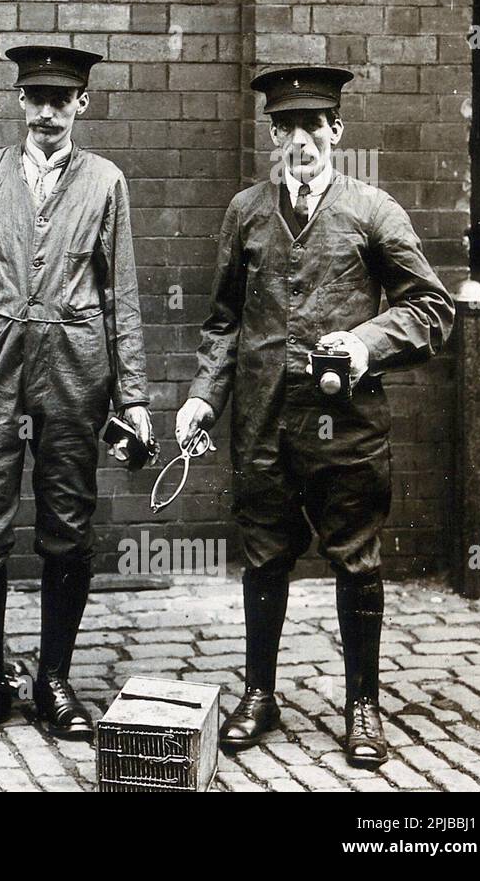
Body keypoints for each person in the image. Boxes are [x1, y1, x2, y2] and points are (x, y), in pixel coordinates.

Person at [176, 65, 454, 768]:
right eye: (286, 126)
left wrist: (364, 342)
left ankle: (363, 704)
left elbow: (431, 309)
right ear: (273, 134)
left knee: (356, 560)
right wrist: (204, 396)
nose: (300, 139)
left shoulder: (371, 210)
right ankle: (260, 694)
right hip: (263, 425)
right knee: (265, 557)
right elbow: (222, 320)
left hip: (349, 430)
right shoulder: (246, 211)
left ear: (338, 130)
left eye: (313, 125)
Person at [0, 45, 152, 739]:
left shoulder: (106, 182)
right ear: (19, 101)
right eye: (35, 97)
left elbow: (124, 296)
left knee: (67, 524)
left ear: (83, 103)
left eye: (62, 98)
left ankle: (53, 679)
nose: (47, 111)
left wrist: (132, 397)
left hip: (75, 371)